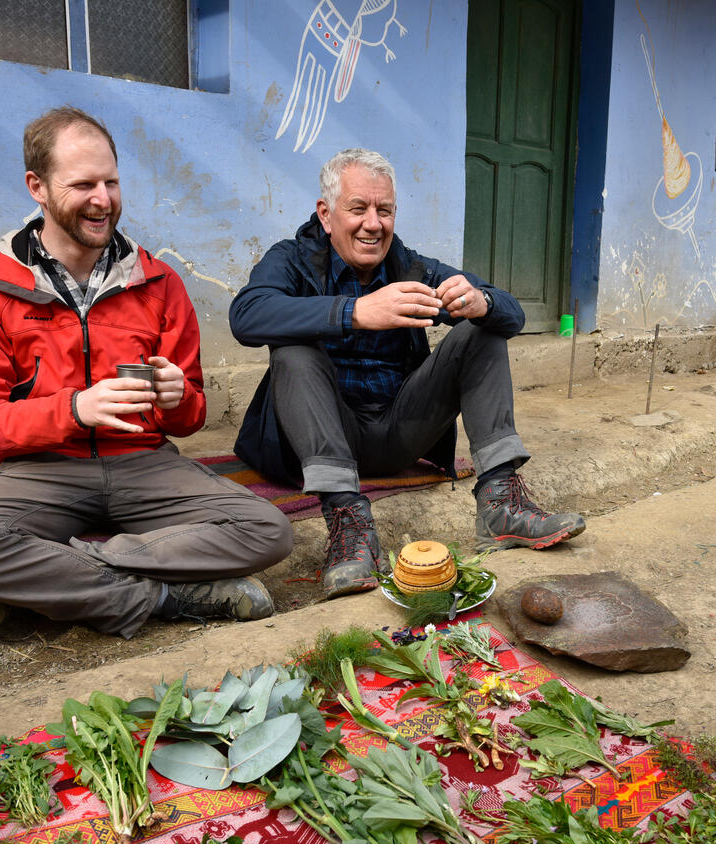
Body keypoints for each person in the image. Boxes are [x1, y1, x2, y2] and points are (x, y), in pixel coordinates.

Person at [0, 107, 293, 639]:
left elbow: (191, 416)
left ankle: (50, 579)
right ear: (38, 187)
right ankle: (164, 594)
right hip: (39, 471)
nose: (103, 199)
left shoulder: (157, 280)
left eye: (111, 182)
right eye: (83, 184)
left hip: (144, 465)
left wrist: (174, 396)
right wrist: (74, 410)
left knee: (267, 531)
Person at [229, 148, 584, 599]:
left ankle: (500, 505)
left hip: (399, 431)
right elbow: (246, 316)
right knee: (292, 351)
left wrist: (483, 302)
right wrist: (355, 311)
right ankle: (349, 528)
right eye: (357, 209)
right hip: (319, 441)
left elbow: (510, 314)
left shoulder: (412, 268)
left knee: (483, 330)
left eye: (385, 210)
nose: (373, 224)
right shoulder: (292, 260)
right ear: (326, 214)